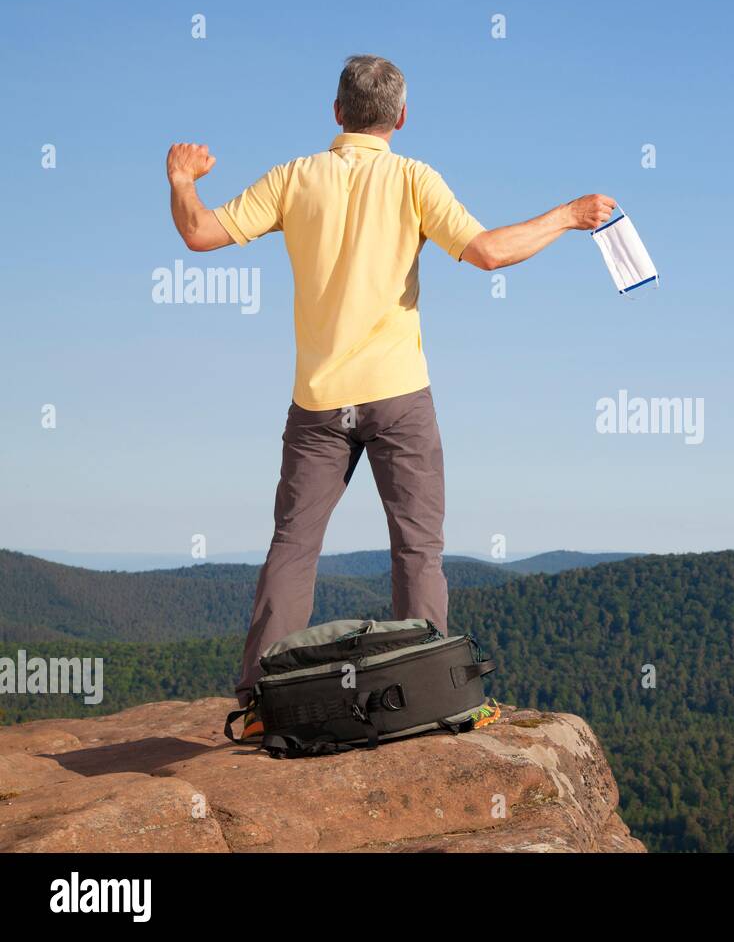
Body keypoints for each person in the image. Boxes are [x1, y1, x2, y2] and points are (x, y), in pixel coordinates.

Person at [166, 54, 615, 739]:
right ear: (401, 117)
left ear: (337, 112)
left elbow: (198, 233)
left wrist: (181, 179)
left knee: (293, 548)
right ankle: (431, 695)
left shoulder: (294, 177)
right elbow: (489, 252)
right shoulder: (411, 178)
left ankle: (261, 703)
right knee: (417, 550)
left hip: (318, 400)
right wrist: (567, 216)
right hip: (399, 393)